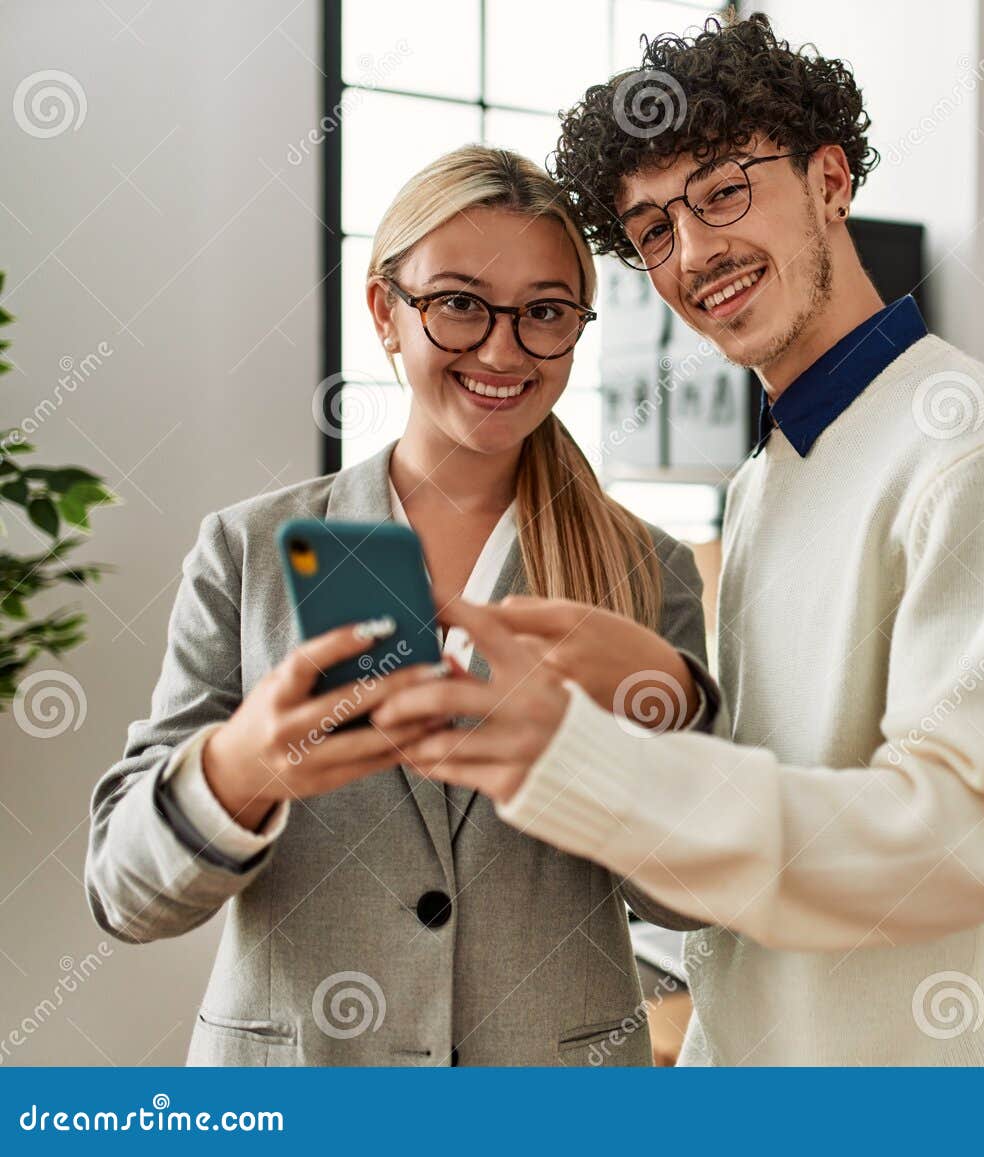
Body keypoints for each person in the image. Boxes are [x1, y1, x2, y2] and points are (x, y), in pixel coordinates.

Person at [374, 14, 984, 1065]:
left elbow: (955, 840)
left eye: (721, 190)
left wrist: (590, 765)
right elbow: (791, 789)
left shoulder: (973, 444)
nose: (696, 251)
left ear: (831, 179)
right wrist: (668, 688)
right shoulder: (768, 477)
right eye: (654, 228)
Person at [85, 144, 716, 1066]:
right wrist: (241, 767)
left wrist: (646, 727)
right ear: (386, 311)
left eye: (544, 312)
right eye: (458, 302)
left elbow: (693, 898)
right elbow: (124, 894)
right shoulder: (249, 551)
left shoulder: (643, 570)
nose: (503, 348)